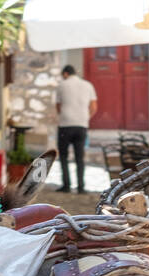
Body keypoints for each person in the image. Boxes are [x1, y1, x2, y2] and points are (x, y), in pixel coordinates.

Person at [54, 64, 98, 193]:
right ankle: (81, 186)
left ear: (66, 74)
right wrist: (85, 118)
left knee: (63, 156)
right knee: (80, 157)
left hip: (65, 125)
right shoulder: (88, 85)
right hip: (81, 125)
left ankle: (66, 185)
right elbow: (94, 106)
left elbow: (58, 106)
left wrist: (63, 117)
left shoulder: (62, 85)